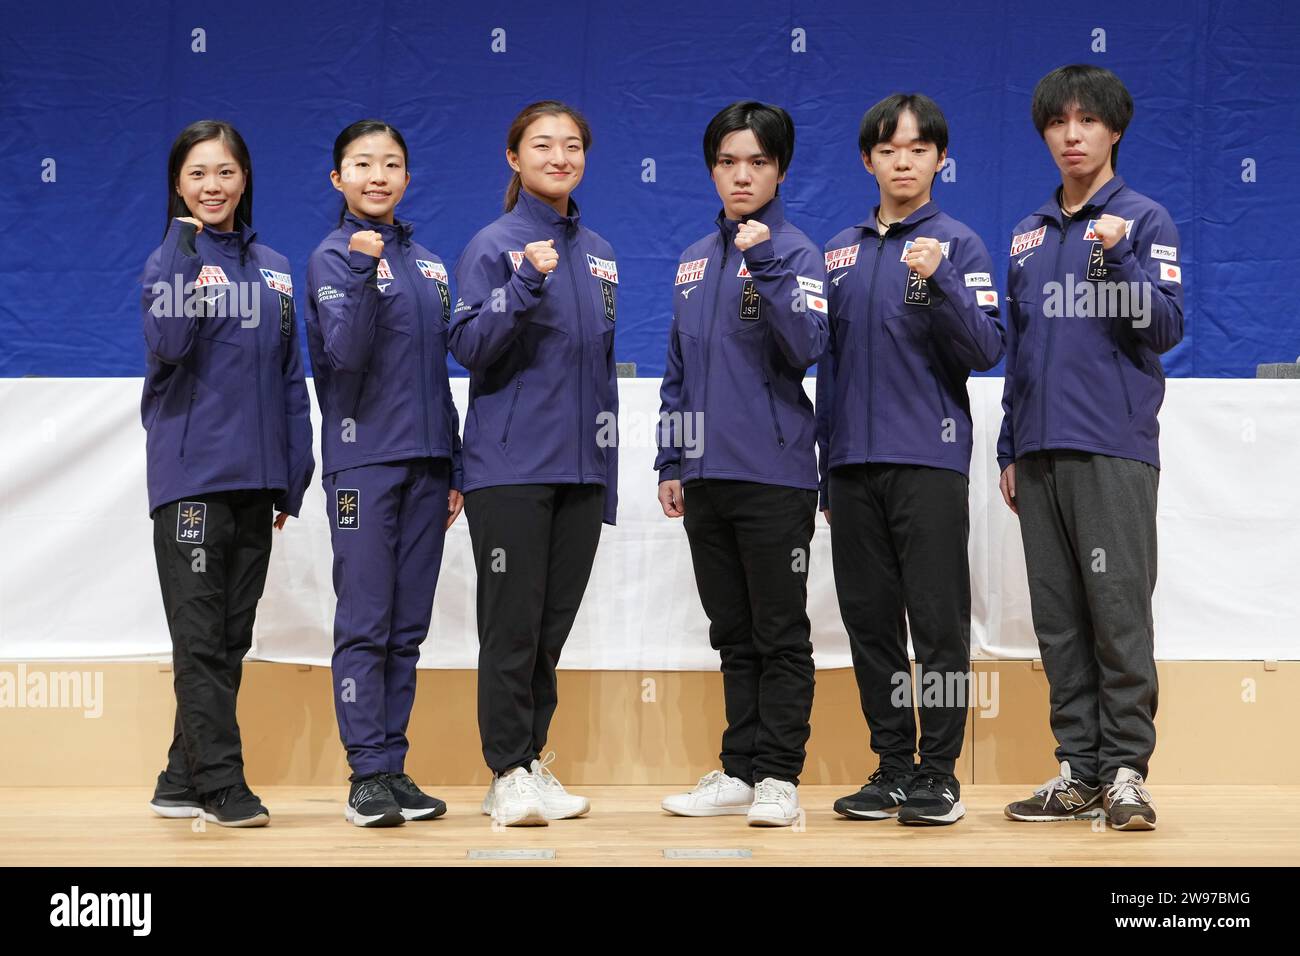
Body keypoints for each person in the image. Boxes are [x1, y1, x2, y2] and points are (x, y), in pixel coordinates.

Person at [998, 66, 1183, 831]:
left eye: (1087, 122)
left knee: (1117, 610)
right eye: (1058, 123)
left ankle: (1127, 772)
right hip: (1037, 453)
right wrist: (1010, 444)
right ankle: (1077, 770)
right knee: (1060, 618)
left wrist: (1123, 256)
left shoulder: (1144, 219)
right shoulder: (1028, 233)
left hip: (1111, 446)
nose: (1072, 135)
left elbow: (1167, 327)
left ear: (1114, 131)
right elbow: (1021, 347)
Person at [816, 94, 1004, 826]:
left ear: (939, 161)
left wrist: (941, 280)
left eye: (919, 148)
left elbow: (987, 349)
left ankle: (940, 773)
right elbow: (826, 367)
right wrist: (828, 464)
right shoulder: (839, 250)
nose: (903, 160)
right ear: (869, 160)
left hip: (929, 459)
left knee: (938, 625)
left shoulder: (960, 243)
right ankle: (893, 767)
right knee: (869, 623)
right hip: (853, 468)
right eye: (889, 149)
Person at [656, 101, 828, 828]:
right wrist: (671, 455)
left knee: (779, 631)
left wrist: (764, 262)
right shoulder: (695, 257)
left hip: (777, 474)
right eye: (728, 162)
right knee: (731, 631)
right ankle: (738, 768)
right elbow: (677, 366)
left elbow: (809, 343)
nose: (741, 175)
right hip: (705, 476)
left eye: (757, 161)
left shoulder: (798, 252)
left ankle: (779, 778)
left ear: (780, 169)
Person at [450, 100, 618, 827]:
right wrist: (521, 285)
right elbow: (469, 346)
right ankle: (504, 771)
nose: (559, 157)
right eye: (542, 146)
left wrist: (607, 467)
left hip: (581, 470)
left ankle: (534, 760)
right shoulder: (495, 243)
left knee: (550, 630)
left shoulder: (601, 250)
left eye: (572, 145)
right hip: (510, 469)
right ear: (514, 159)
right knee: (511, 627)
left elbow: (603, 366)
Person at [141, 120, 314, 827]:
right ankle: (220, 783)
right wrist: (184, 244)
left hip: (257, 481)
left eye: (225, 173)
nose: (213, 187)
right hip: (193, 480)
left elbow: (289, 375)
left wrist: (290, 477)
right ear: (178, 186)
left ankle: (179, 778)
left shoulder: (273, 267)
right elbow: (169, 340)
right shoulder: (168, 259)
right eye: (197, 175)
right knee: (202, 639)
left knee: (230, 637)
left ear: (244, 179)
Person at [305, 120, 464, 828]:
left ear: (406, 176)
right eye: (362, 164)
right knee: (366, 622)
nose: (378, 175)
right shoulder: (334, 256)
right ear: (337, 179)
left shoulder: (429, 263)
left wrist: (455, 463)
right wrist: (364, 269)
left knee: (407, 628)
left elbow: (437, 372)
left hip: (430, 466)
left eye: (391, 163)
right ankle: (365, 773)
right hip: (363, 462)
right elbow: (345, 355)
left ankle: (394, 769)